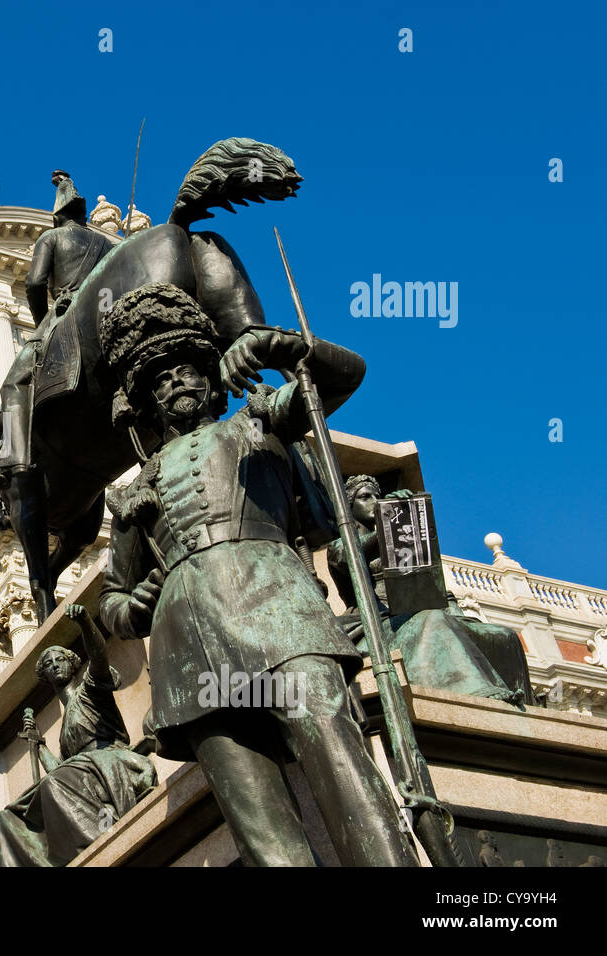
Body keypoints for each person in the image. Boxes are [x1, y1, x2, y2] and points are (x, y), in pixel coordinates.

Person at [97, 282, 418, 866]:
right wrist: (135, 604)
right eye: (161, 380)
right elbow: (112, 604)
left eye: (187, 369)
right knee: (258, 822)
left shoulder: (259, 420)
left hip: (280, 611)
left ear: (212, 375)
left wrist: (277, 345)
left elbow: (346, 375)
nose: (176, 383)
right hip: (186, 642)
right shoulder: (132, 494)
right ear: (148, 401)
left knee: (337, 752)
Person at [328, 475, 532, 705]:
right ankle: (476, 693)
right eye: (365, 497)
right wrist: (390, 521)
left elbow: (429, 584)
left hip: (415, 612)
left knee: (505, 636)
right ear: (349, 507)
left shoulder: (402, 543)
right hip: (377, 623)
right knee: (431, 619)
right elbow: (346, 557)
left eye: (378, 496)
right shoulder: (339, 545)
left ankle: (524, 704)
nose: (375, 501)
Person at [0, 603, 156, 866]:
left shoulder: (90, 691)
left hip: (111, 761)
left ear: (72, 663)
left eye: (60, 659)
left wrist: (85, 623)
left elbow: (99, 656)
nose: (55, 665)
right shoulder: (66, 726)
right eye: (48, 665)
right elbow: (60, 768)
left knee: (52, 785)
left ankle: (93, 838)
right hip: (82, 772)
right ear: (45, 676)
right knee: (5, 818)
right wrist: (39, 745)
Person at [0, 170, 113, 487]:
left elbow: (35, 282)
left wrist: (43, 321)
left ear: (58, 216)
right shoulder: (107, 244)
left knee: (13, 384)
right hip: (105, 317)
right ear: (83, 215)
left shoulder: (51, 238)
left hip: (65, 313)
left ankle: (7, 457)